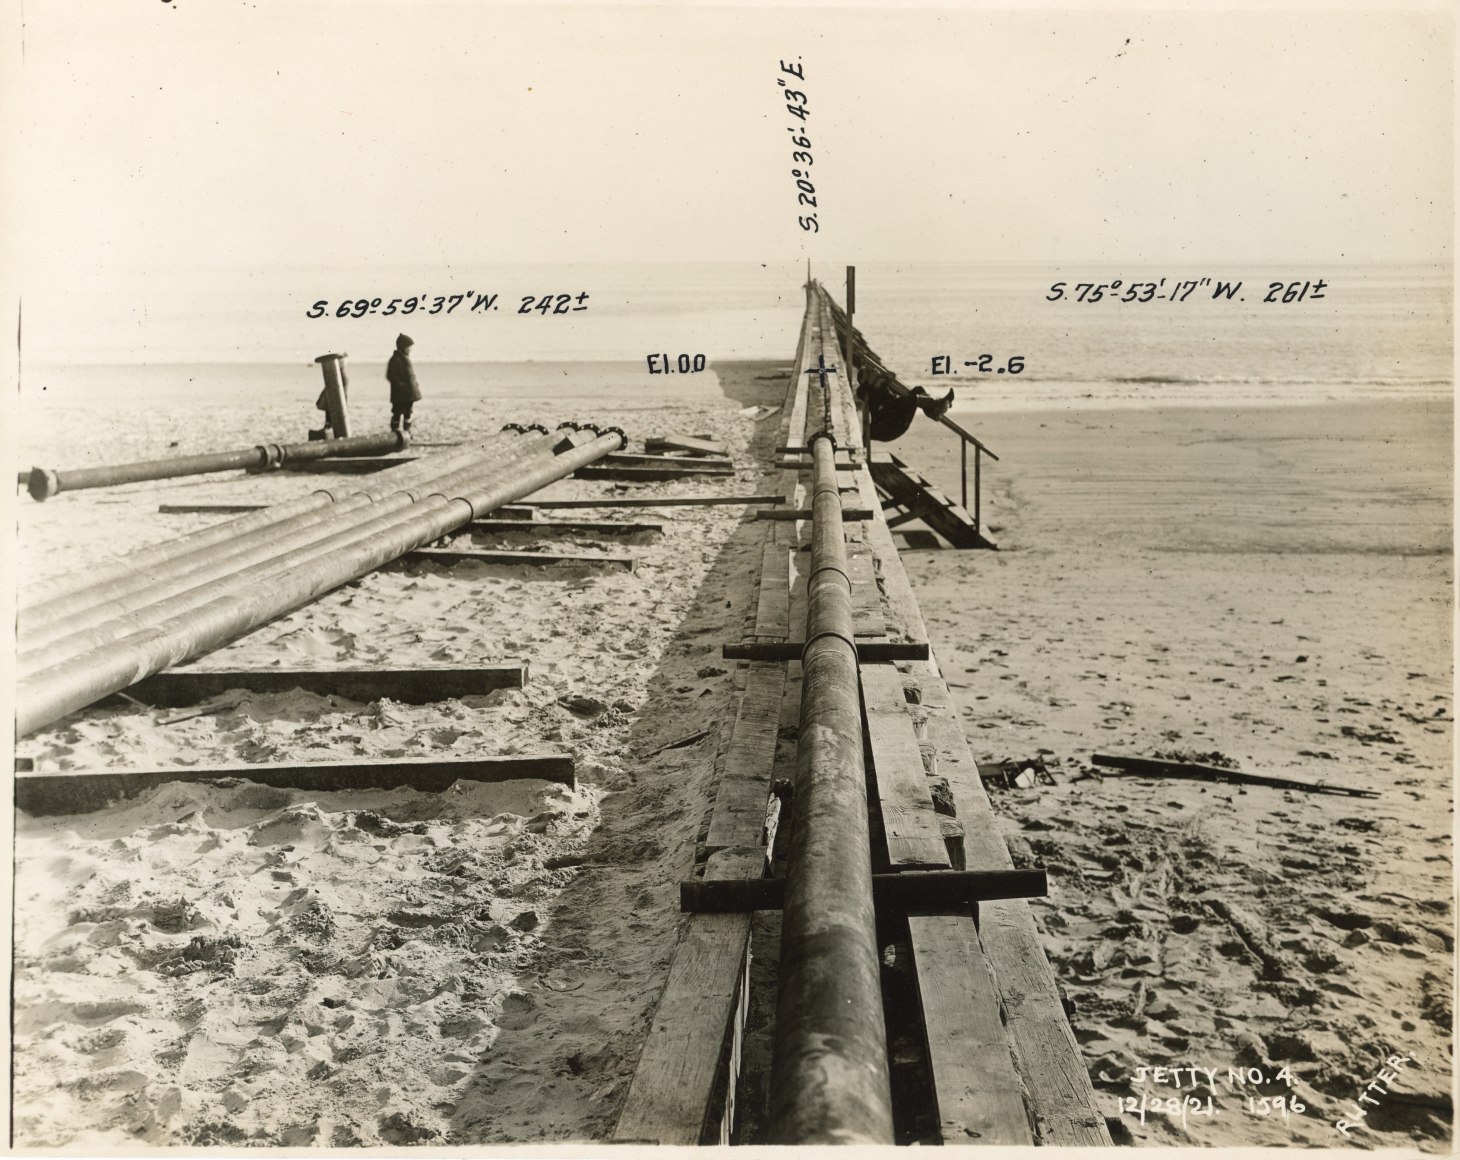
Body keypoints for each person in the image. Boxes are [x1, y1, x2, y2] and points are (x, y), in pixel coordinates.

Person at [386, 334, 422, 431]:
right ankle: (394, 433)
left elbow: (410, 375)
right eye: (409, 347)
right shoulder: (395, 359)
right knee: (397, 413)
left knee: (408, 413)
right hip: (400, 394)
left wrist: (415, 385)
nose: (410, 349)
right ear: (403, 347)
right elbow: (391, 376)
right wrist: (400, 385)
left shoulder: (405, 358)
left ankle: (407, 433)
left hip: (408, 393)